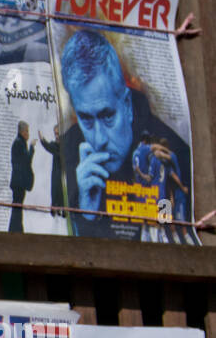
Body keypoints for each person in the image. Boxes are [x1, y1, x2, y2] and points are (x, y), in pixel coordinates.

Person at [58, 29, 193, 239]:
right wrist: (85, 214)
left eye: (108, 116)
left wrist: (161, 209)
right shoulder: (66, 151)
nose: (100, 139)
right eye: (86, 119)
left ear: (127, 105)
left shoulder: (173, 150)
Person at [9, 120, 36, 232]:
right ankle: (15, 229)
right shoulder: (19, 143)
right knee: (17, 206)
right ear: (22, 131)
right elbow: (27, 159)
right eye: (27, 131)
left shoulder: (19, 142)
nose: (28, 134)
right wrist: (32, 147)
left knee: (18, 206)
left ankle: (17, 228)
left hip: (19, 182)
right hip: (18, 182)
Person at [39, 124, 64, 216]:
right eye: (55, 134)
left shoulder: (67, 145)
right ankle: (55, 208)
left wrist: (43, 141)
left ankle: (61, 209)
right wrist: (43, 140)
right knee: (55, 190)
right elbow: (50, 147)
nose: (56, 136)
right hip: (57, 174)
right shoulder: (55, 145)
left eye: (58, 134)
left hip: (65, 177)